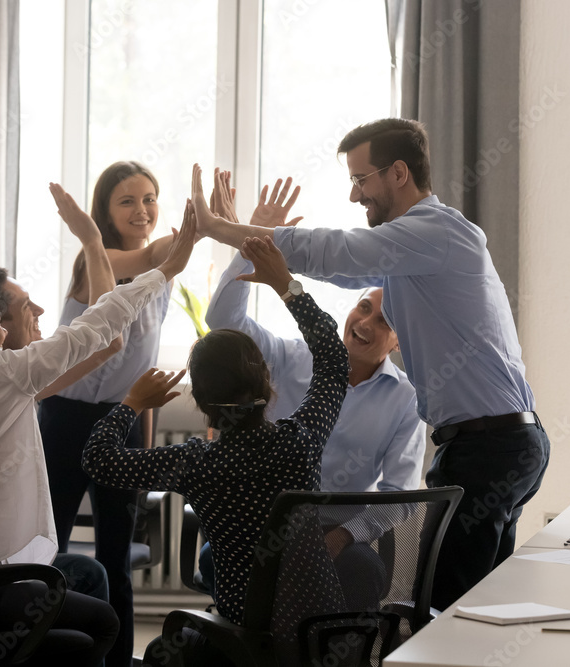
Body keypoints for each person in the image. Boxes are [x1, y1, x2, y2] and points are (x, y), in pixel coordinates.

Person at [190, 118, 551, 611]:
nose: (356, 195)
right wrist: (254, 245)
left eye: (361, 179)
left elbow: (335, 249)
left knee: (447, 610)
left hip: (489, 446)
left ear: (398, 172)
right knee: (471, 609)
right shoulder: (411, 257)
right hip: (496, 444)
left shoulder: (436, 232)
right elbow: (340, 266)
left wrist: (223, 230)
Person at [0, 182, 197, 665]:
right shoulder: (4, 376)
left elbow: (100, 334)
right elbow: (100, 323)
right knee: (99, 622)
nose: (6, 328)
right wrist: (165, 269)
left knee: (89, 575)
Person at [81, 235, 349, 666]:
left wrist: (131, 404)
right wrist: (287, 286)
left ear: (202, 404)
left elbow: (97, 458)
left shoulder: (194, 462)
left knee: (157, 654)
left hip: (242, 634)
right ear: (266, 380)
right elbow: (335, 360)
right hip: (317, 627)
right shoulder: (300, 442)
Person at [197, 171, 426, 605]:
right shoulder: (292, 357)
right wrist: (252, 246)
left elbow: (399, 496)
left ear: (400, 340)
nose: (364, 323)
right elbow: (223, 322)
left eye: (384, 321)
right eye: (363, 308)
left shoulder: (406, 399)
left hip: (335, 535)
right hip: (264, 524)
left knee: (364, 573)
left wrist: (344, 535)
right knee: (216, 560)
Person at [38, 161, 196, 667]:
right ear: (105, 211)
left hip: (123, 421)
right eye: (127, 200)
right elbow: (148, 260)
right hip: (64, 419)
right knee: (50, 547)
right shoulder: (95, 259)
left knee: (116, 558)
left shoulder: (159, 274)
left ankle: (116, 660)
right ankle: (49, 652)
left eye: (150, 198)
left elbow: (165, 256)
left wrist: (203, 225)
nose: (142, 209)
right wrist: (85, 232)